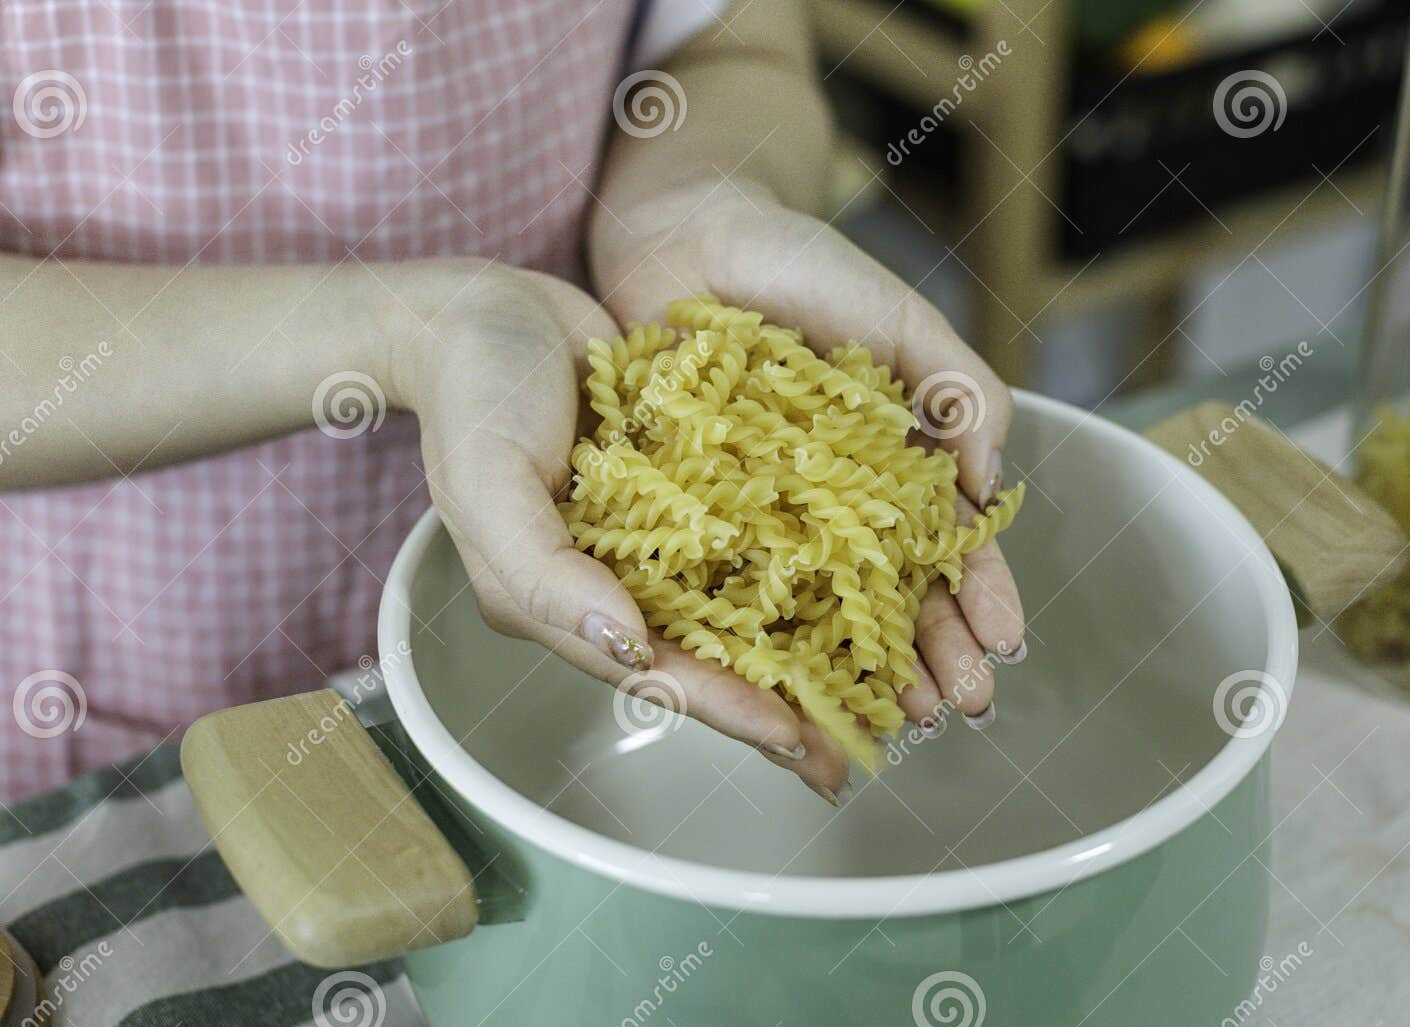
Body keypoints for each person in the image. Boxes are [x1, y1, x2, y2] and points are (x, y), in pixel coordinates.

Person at [0, 0, 1022, 807]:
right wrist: (410, 331)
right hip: (107, 704)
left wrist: (695, 202)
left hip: (564, 607)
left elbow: (732, 47)